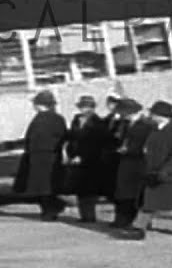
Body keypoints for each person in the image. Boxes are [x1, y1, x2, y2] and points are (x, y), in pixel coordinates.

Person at [119, 100, 172, 240]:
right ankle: (138, 228)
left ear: (160, 116)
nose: (150, 116)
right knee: (149, 202)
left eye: (153, 114)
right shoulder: (154, 130)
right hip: (154, 172)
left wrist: (166, 170)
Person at [13, 89, 69, 220]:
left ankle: (50, 210)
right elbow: (64, 136)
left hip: (39, 156)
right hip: (52, 155)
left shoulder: (39, 119)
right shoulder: (58, 118)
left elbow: (30, 138)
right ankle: (51, 209)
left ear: (39, 104)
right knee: (48, 186)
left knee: (41, 186)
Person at [65, 94, 110, 223]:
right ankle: (84, 215)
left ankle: (89, 215)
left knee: (89, 189)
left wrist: (83, 156)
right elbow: (71, 138)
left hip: (91, 161)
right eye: (82, 106)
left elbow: (96, 143)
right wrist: (71, 154)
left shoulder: (97, 123)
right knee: (79, 189)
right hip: (75, 159)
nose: (84, 109)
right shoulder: (76, 120)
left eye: (87, 107)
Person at [111, 98, 154, 229]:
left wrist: (131, 149)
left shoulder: (147, 125)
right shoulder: (124, 124)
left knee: (139, 194)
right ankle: (124, 219)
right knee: (124, 193)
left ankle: (142, 222)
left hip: (140, 162)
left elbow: (149, 145)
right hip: (125, 162)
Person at [100, 93, 126, 205]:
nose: (111, 106)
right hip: (108, 155)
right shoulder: (107, 119)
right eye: (110, 104)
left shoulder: (124, 120)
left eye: (114, 103)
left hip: (120, 155)